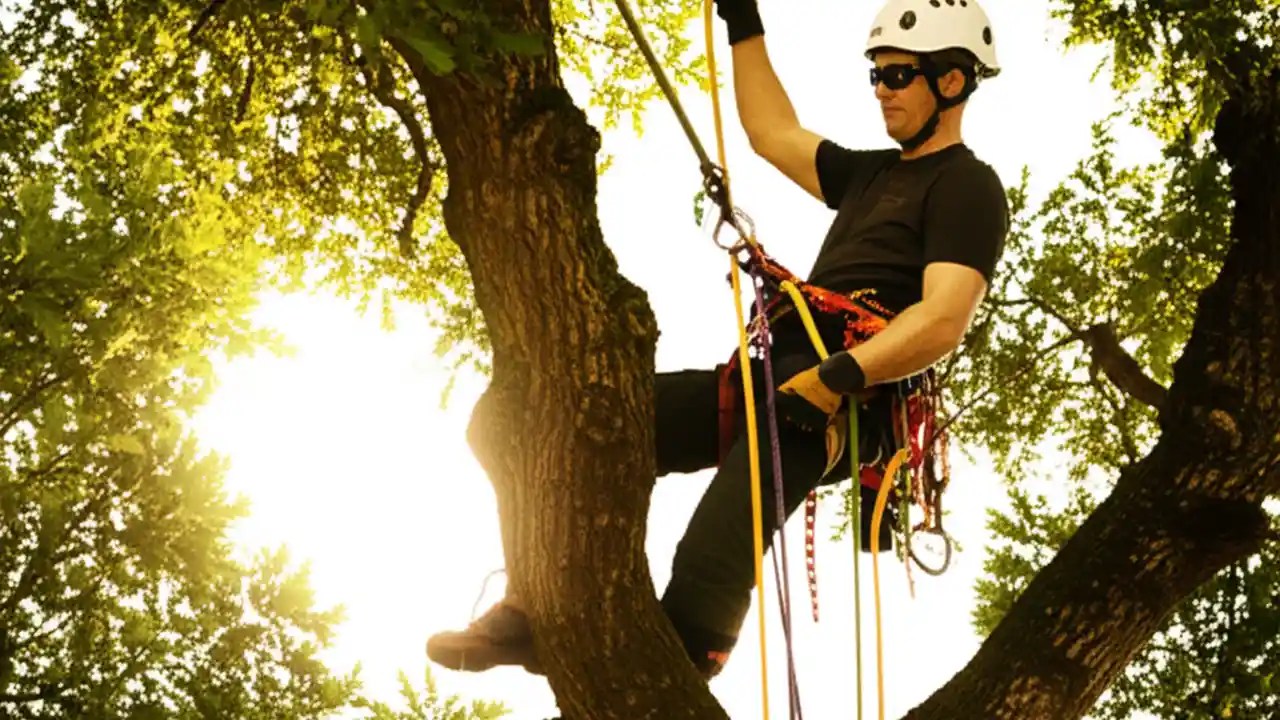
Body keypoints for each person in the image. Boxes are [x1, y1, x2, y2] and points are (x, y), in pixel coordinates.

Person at [426, 0, 1009, 681]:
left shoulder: (969, 186)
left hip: (843, 396)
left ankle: (685, 654)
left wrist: (834, 381)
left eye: (899, 75)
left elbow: (942, 318)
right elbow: (771, 131)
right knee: (525, 422)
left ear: (952, 81)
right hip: (774, 376)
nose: (881, 90)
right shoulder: (870, 175)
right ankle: (533, 604)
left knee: (712, 548)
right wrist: (742, 18)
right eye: (875, 76)